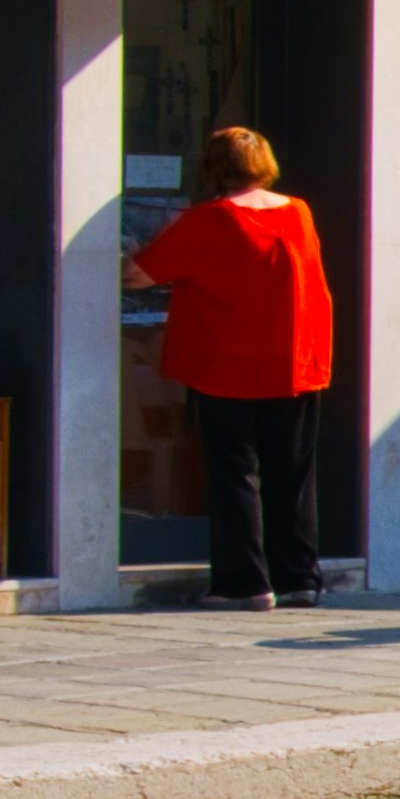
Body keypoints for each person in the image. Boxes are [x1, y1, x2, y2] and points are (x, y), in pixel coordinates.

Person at [127, 125, 334, 609]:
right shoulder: (298, 212)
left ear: (214, 168)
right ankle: (299, 578)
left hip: (226, 365)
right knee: (293, 474)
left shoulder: (211, 219)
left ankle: (245, 583)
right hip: (295, 364)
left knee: (236, 474)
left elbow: (140, 274)